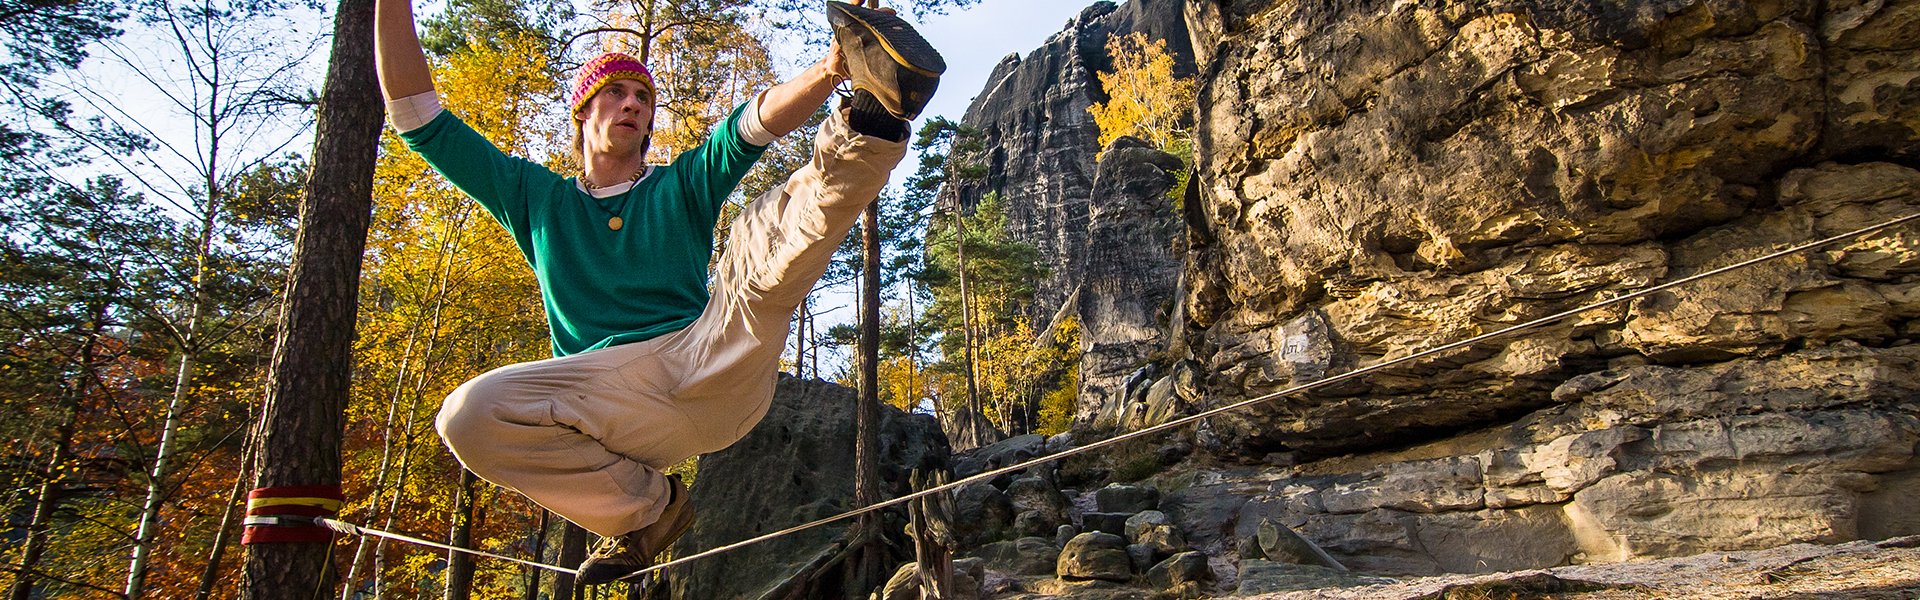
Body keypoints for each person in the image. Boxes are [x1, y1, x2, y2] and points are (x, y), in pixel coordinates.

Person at [371, 0, 945, 584]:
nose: (632, 105)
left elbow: (752, 125)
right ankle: (647, 511)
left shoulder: (679, 184)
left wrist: (830, 72)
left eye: (643, 99)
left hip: (708, 360)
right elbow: (418, 120)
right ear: (583, 110)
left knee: (764, 251)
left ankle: (873, 118)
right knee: (467, 416)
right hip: (614, 401)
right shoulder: (537, 199)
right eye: (617, 93)